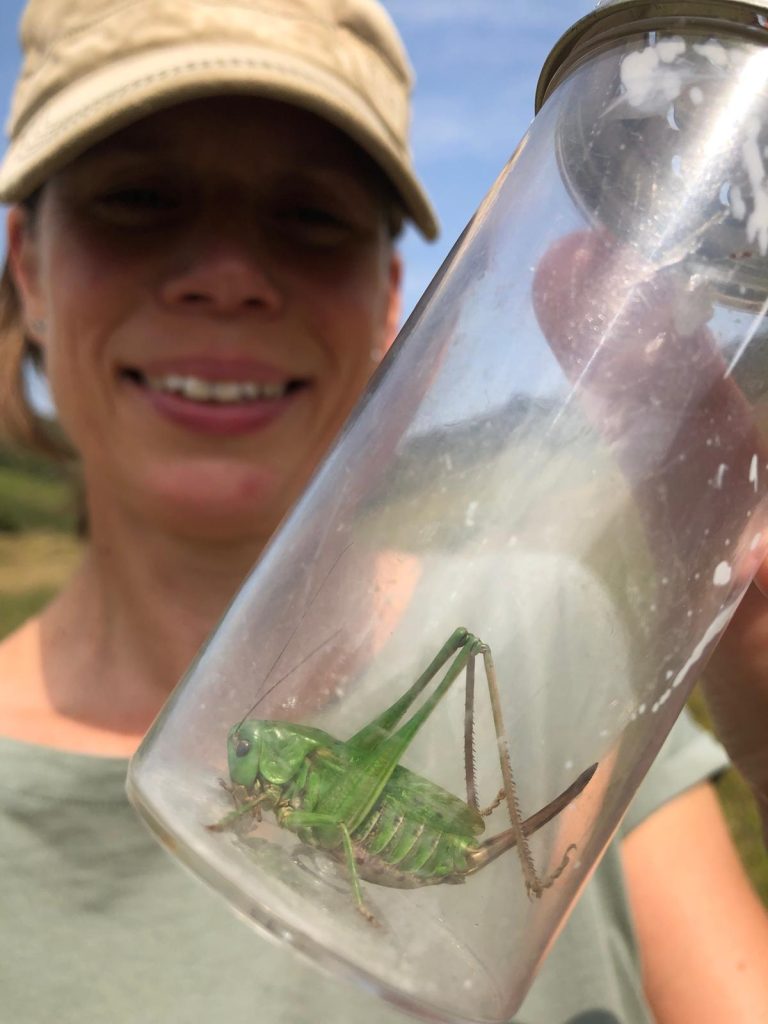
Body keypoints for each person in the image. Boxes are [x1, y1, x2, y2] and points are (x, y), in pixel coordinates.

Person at [0, 2, 765, 1023]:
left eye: (310, 217)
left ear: (394, 298)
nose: (228, 278)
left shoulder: (562, 638)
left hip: (448, 820)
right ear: (26, 275)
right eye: (137, 200)